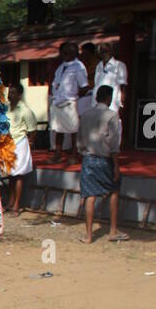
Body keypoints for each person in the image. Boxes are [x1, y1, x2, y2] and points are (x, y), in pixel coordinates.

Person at [77, 84, 128, 244]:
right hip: (104, 158)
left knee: (89, 196)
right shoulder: (112, 116)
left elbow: (79, 139)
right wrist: (116, 167)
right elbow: (114, 144)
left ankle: (88, 235)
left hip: (88, 158)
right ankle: (113, 230)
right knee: (114, 190)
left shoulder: (85, 115)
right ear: (108, 98)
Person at [50, 42, 90, 163]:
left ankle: (74, 155)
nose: (66, 54)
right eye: (64, 52)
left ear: (75, 53)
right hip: (57, 102)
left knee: (73, 130)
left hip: (70, 102)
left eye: (70, 52)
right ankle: (57, 154)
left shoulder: (79, 66)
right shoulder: (60, 67)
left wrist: (75, 97)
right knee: (58, 130)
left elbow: (84, 86)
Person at [4, 81, 37, 216]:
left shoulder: (25, 110)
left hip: (20, 143)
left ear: (19, 95)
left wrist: (30, 142)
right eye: (9, 92)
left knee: (19, 176)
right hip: (8, 144)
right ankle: (10, 202)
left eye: (13, 93)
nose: (10, 95)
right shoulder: (6, 108)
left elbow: (33, 129)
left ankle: (16, 205)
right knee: (11, 175)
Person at [94, 42, 128, 116]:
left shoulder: (119, 65)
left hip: (113, 101)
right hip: (97, 102)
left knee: (112, 124)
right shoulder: (98, 66)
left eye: (106, 51)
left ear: (111, 52)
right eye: (102, 52)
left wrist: (122, 102)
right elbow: (96, 84)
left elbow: (123, 85)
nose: (104, 53)